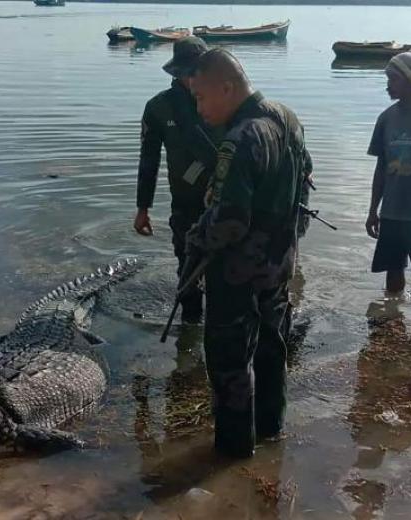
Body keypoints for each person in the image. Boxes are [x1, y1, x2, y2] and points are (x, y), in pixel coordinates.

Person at [186, 49, 311, 458]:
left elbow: (230, 222)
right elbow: (304, 180)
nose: (198, 107)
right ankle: (271, 429)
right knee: (272, 348)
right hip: (279, 264)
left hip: (238, 273)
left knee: (228, 362)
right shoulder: (287, 117)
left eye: (201, 97)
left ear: (227, 87)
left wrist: (195, 238)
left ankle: (234, 451)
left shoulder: (240, 139)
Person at [134, 36, 221, 324]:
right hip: (185, 206)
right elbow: (148, 160)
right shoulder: (159, 107)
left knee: (229, 278)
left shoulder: (226, 98)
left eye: (199, 71)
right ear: (177, 72)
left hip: (228, 202)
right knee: (188, 276)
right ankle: (188, 341)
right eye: (188, 72)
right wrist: (143, 208)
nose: (193, 78)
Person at [365, 52, 411, 296]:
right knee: (393, 273)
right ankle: (393, 318)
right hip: (392, 213)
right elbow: (380, 169)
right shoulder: (386, 119)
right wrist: (373, 211)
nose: (387, 86)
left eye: (393, 79)